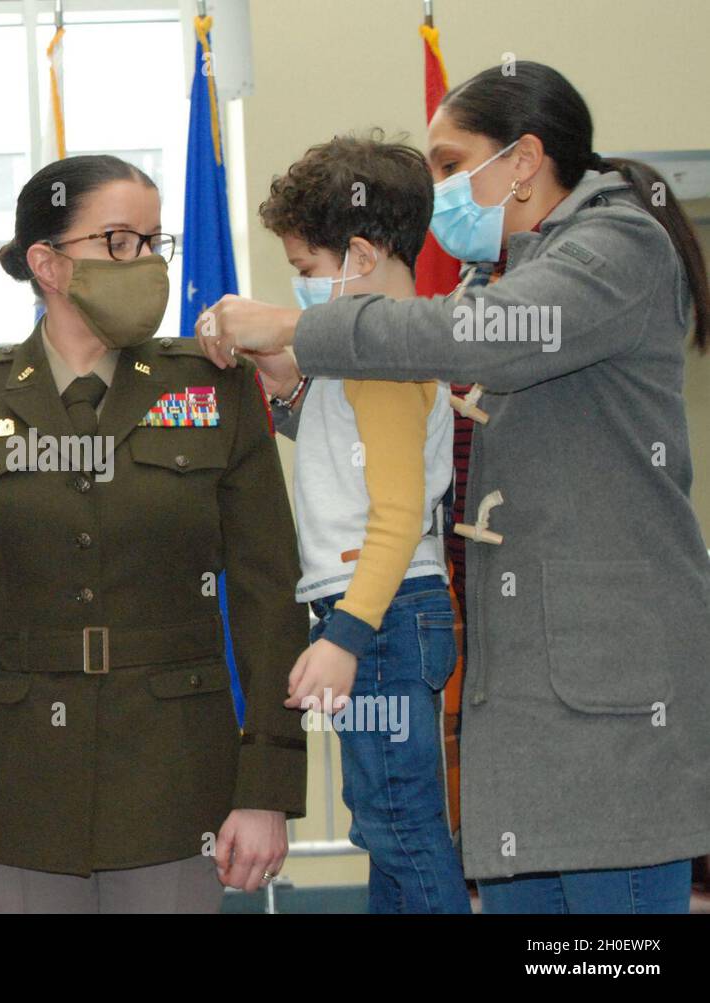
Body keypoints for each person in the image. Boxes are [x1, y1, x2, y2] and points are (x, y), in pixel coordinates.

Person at [198, 62, 710, 913]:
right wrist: (293, 393)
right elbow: (396, 448)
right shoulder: (499, 273)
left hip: (605, 676)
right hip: (518, 668)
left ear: (524, 159)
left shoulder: (614, 244)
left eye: (449, 164)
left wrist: (298, 324)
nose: (438, 192)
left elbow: (481, 338)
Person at [0, 155, 308, 914]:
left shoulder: (213, 389)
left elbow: (270, 596)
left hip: (178, 785)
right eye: (118, 241)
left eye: (153, 241)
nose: (145, 262)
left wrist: (268, 784)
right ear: (47, 264)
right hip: (12, 790)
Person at [256, 134, 469, 913]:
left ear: (361, 255)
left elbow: (398, 513)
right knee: (386, 825)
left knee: (400, 824)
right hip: (384, 610)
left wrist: (345, 636)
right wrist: (287, 391)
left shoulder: (378, 355)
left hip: (380, 612)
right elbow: (348, 458)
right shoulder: (367, 351)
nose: (300, 286)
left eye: (306, 268)